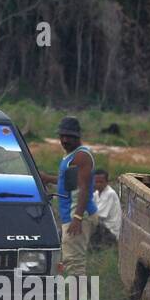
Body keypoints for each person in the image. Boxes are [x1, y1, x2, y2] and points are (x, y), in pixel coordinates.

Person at [56, 116, 97, 277]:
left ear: (78, 136)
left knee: (74, 263)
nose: (65, 140)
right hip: (70, 215)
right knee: (70, 261)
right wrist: (49, 179)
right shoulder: (70, 155)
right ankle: (77, 299)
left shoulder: (81, 157)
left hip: (78, 215)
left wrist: (78, 217)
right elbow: (70, 183)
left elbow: (84, 188)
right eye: (62, 136)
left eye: (69, 136)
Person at [91, 168, 122, 246]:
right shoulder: (96, 194)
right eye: (96, 182)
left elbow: (99, 215)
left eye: (101, 182)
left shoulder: (110, 194)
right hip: (102, 227)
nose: (98, 184)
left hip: (110, 231)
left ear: (107, 182)